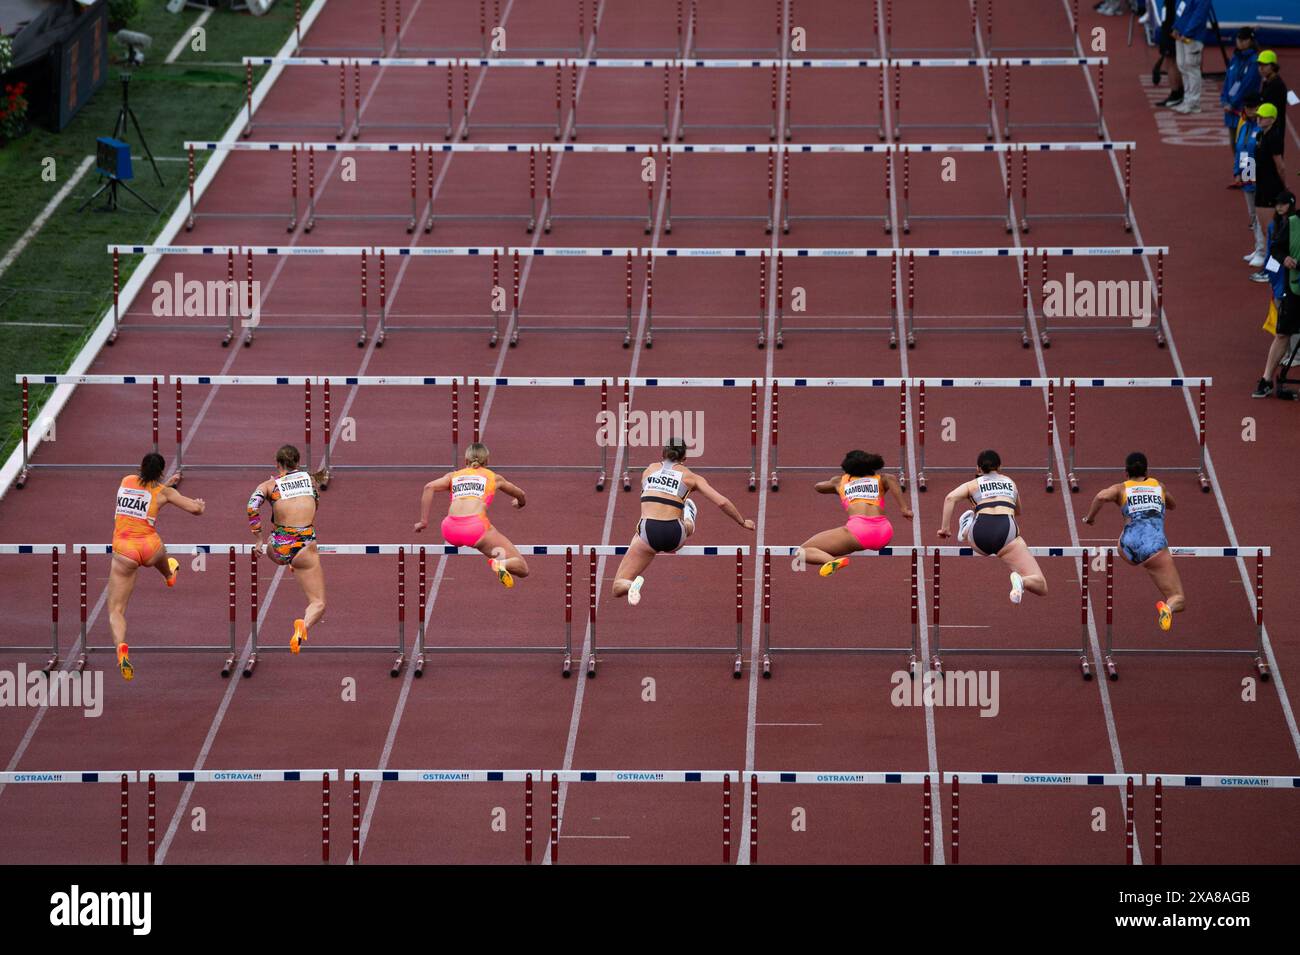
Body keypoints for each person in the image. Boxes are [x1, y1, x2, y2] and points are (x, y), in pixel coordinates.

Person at [612, 437, 754, 605]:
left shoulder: (649, 470)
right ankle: (689, 517)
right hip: (674, 533)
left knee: (617, 586)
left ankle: (629, 584)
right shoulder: (691, 477)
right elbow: (721, 502)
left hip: (648, 533)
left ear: (663, 453)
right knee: (684, 521)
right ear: (684, 459)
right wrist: (742, 521)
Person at [108, 452, 205, 680]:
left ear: (140, 467)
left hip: (125, 551)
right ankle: (169, 574)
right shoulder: (165, 493)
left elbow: (144, 490)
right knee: (161, 553)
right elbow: (195, 509)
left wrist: (165, 485)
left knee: (116, 610)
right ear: (161, 473)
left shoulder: (126, 480)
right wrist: (199, 504)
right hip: (150, 548)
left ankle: (121, 649)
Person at [1081, 452, 1184, 632]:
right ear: (1147, 471)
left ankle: (1129, 538)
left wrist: (1090, 518)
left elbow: (1100, 497)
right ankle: (1168, 608)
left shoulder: (1121, 488)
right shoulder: (1159, 486)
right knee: (1178, 598)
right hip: (1155, 549)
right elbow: (1173, 505)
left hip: (1127, 546)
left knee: (1131, 523)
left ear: (1125, 472)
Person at [937, 449, 1046, 604]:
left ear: (978, 469)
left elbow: (950, 498)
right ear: (1000, 467)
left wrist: (945, 529)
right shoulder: (1010, 483)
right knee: (1041, 585)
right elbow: (1018, 511)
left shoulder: (973, 484)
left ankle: (967, 528)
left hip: (980, 535)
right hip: (1006, 531)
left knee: (977, 530)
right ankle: (1022, 582)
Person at [414, 442, 529, 587]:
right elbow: (520, 494)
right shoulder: (493, 477)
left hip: (449, 529)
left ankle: (499, 560)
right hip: (476, 530)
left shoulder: (453, 476)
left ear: (466, 461)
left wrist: (423, 521)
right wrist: (520, 503)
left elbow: (429, 487)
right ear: (487, 461)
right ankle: (500, 563)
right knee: (522, 568)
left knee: (477, 530)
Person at [247, 445, 326, 652]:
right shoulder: (311, 480)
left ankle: (290, 562)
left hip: (277, 548)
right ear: (298, 462)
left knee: (285, 549)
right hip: (305, 547)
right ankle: (304, 626)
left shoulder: (269, 485)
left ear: (277, 464)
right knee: (318, 603)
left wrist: (258, 539)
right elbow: (315, 504)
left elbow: (251, 506)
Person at [798, 449, 911, 577]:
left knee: (802, 551)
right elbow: (891, 478)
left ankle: (831, 561)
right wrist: (904, 509)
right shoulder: (881, 479)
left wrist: (841, 489)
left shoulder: (840, 481)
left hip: (859, 532)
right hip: (885, 531)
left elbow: (818, 487)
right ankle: (832, 561)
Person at [1257, 190, 1300, 399]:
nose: (1279, 207)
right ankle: (1266, 379)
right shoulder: (1289, 224)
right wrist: (1284, 261)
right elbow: (1275, 251)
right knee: (1282, 333)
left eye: (1283, 204)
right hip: (1292, 287)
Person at [1251, 103, 1287, 282]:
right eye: (1258, 115)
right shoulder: (1260, 135)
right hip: (1261, 186)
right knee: (1266, 230)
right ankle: (1269, 267)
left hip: (1271, 188)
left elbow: (1280, 165)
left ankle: (1271, 269)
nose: (1259, 118)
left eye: (1263, 116)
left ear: (1272, 119)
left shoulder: (1274, 138)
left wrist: (1283, 187)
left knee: (1270, 232)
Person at [1170, 0, 1214, 114]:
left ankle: (1194, 103)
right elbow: (1179, 11)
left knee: (1192, 68)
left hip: (1192, 37)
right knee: (1182, 66)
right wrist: (1176, 27)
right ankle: (1187, 99)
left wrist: (1188, 32)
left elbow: (1199, 16)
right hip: (1181, 35)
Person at [1234, 95, 1263, 263]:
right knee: (1252, 214)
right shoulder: (1244, 126)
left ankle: (1262, 250)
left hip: (1259, 173)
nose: (1251, 110)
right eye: (1248, 107)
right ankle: (1257, 247)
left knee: (1260, 214)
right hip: (1247, 170)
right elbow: (1240, 150)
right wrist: (1237, 172)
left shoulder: (1261, 128)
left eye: (1254, 107)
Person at [1221, 27, 1261, 148]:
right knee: (1234, 143)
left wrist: (1232, 103)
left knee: (1244, 144)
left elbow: (1246, 86)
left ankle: (1247, 167)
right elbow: (1227, 80)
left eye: (1244, 40)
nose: (1241, 42)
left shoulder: (1254, 61)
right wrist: (1224, 99)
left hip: (1244, 109)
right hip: (1231, 110)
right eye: (1239, 39)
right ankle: (1240, 167)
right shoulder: (1235, 58)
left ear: (1251, 41)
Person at [1151, 0, 1184, 108]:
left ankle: (1176, 93)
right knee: (1174, 61)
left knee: (1171, 62)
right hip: (1170, 28)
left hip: (1170, 30)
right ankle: (1179, 92)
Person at [1258, 50, 1289, 150]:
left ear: (1273, 66)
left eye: (1264, 65)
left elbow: (1271, 111)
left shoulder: (1277, 86)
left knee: (1273, 163)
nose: (1261, 68)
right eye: (1259, 64)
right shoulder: (1267, 82)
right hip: (1267, 129)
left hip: (1272, 132)